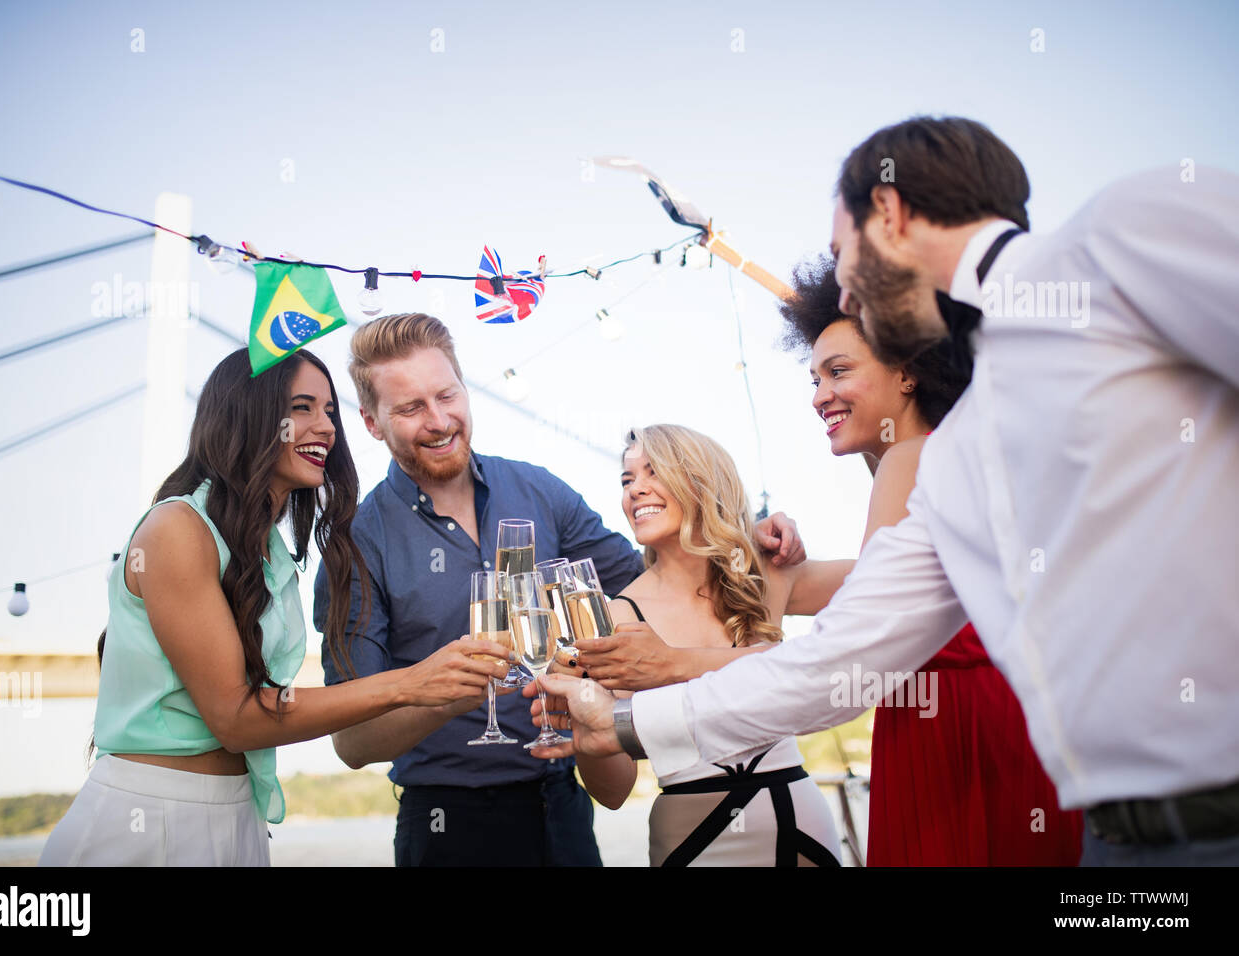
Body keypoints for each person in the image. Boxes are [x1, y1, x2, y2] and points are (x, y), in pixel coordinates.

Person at [534, 116, 1239, 866]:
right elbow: (841, 665)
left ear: (892, 213)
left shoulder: (1121, 236)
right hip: (1116, 850)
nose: (839, 285)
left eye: (841, 254)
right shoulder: (957, 456)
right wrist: (623, 725)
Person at [312, 313, 806, 867]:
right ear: (373, 423)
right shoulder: (354, 544)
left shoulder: (539, 491)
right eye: (410, 408)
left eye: (447, 396)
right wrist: (455, 691)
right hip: (449, 826)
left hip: (564, 810)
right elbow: (353, 744)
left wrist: (739, 536)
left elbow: (662, 582)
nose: (438, 420)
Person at [39, 348, 510, 867]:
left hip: (236, 815)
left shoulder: (269, 551)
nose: (325, 427)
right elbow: (237, 718)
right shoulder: (177, 529)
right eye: (302, 407)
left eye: (330, 410)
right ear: (246, 415)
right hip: (149, 825)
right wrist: (412, 682)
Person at [782, 254, 1083, 865]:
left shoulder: (908, 460)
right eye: (813, 379)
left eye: (837, 371)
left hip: (954, 737)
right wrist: (775, 555)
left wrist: (674, 673)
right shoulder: (950, 459)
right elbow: (842, 583)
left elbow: (853, 633)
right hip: (1006, 730)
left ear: (908, 371)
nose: (820, 396)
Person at [552, 424, 854, 866]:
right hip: (692, 839)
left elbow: (898, 583)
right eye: (627, 479)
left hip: (800, 822)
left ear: (701, 480)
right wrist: (584, 724)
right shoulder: (614, 619)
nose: (635, 490)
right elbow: (614, 793)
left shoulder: (768, 571)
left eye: (653, 472)